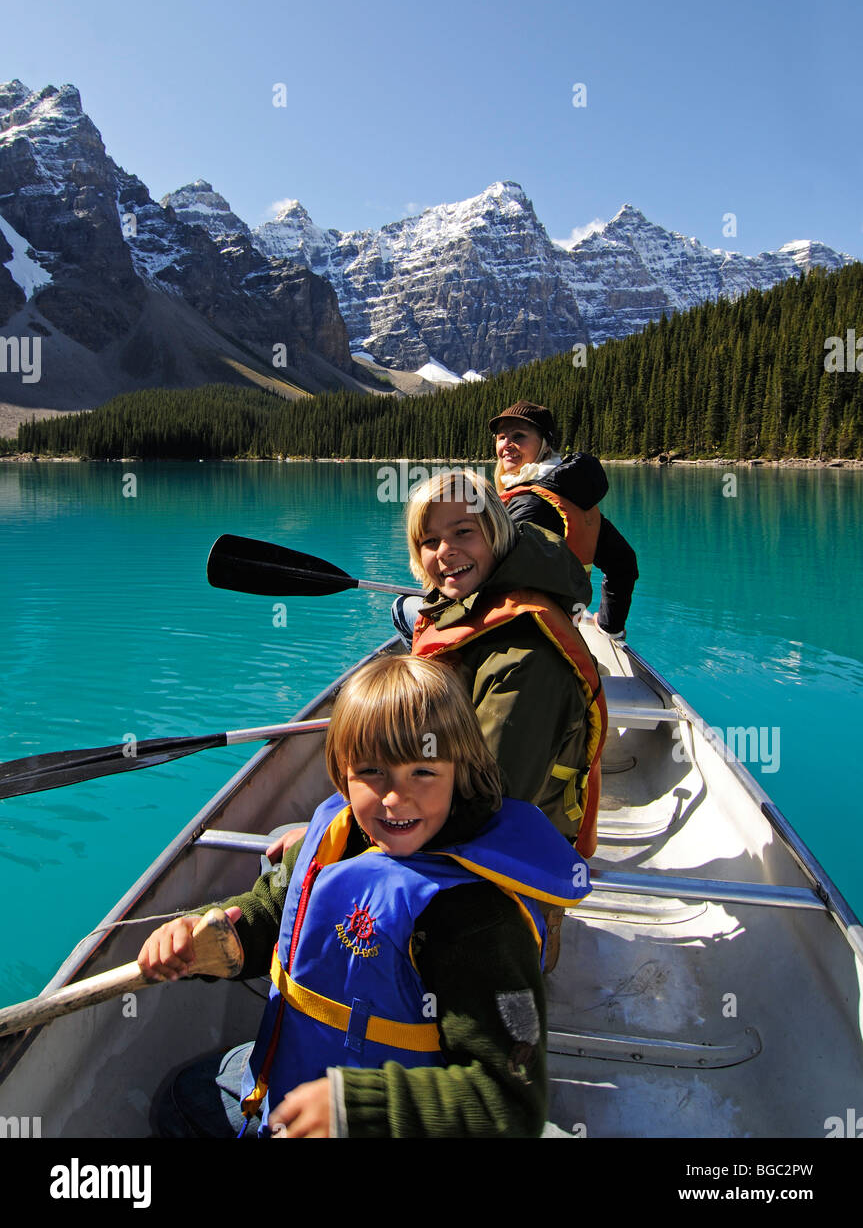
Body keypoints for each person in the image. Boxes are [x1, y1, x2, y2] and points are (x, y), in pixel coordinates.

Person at [137, 654, 589, 1139]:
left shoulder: (477, 919)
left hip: (383, 1119)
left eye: (422, 772)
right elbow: (272, 912)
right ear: (341, 772)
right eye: (372, 771)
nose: (395, 798)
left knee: (187, 1105)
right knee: (183, 1097)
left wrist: (355, 1107)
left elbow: (509, 1104)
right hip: (293, 1082)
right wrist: (205, 935)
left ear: (461, 770)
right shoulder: (338, 835)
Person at [404, 470, 606, 859]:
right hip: (436, 821)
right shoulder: (465, 608)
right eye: (429, 541)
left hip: (507, 866)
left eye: (463, 532)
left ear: (497, 531)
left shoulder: (526, 661)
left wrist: (352, 833)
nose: (444, 550)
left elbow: (483, 806)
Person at [490, 401, 638, 640]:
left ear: (545, 445)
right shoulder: (572, 495)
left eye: (519, 436)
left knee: (406, 612)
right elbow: (623, 563)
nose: (507, 445)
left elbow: (494, 580)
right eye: (501, 437)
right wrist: (611, 625)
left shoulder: (531, 503)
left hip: (518, 637)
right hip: (562, 628)